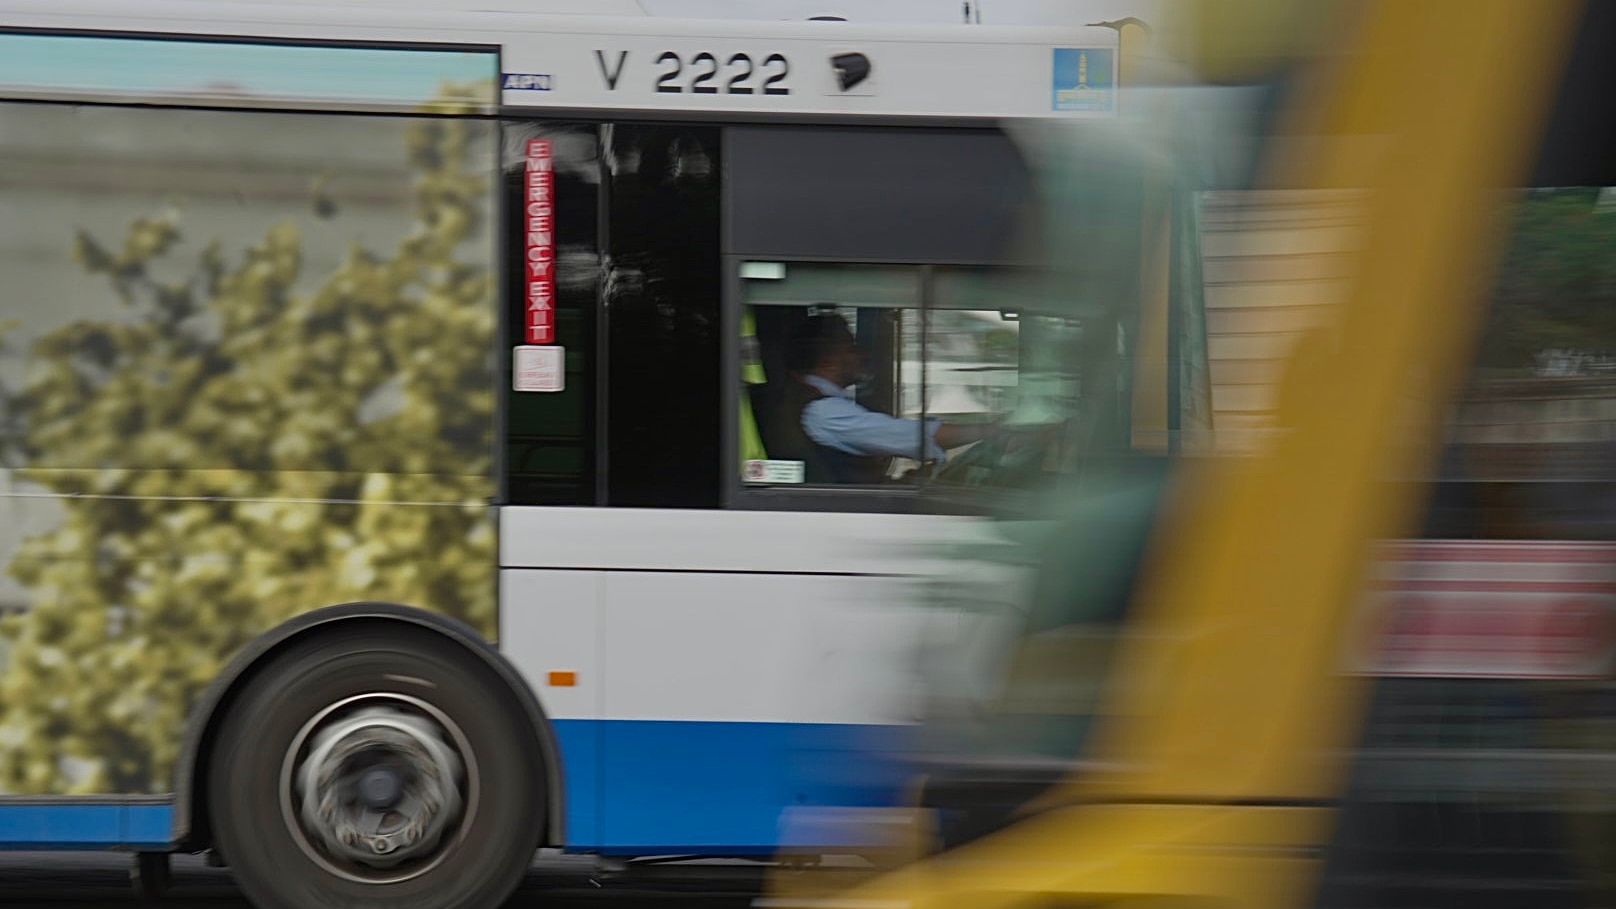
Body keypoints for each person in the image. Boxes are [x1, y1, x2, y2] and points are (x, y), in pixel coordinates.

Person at [772, 313, 1000, 484]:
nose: (864, 354)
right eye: (852, 349)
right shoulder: (823, 412)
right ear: (827, 362)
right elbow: (916, 437)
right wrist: (992, 431)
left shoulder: (816, 403)